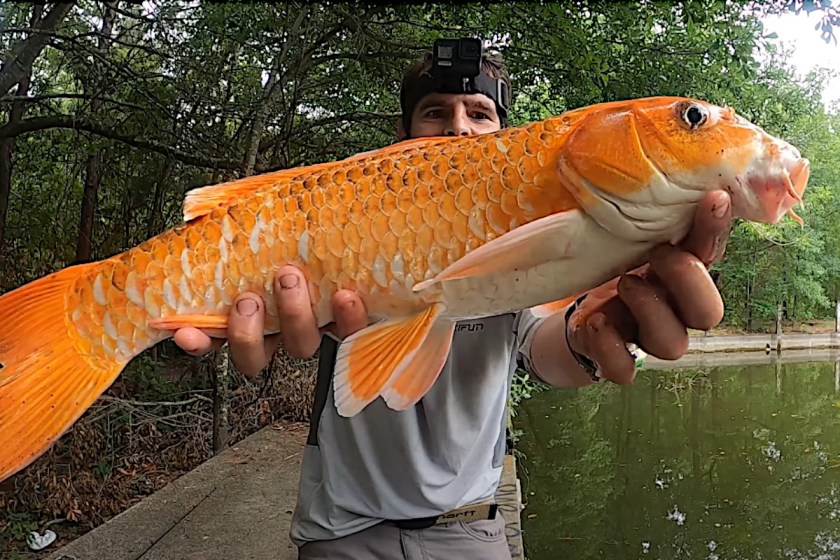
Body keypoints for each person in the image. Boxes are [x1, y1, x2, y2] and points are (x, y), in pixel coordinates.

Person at [172, 44, 733, 559]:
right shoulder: (347, 214)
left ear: (506, 134)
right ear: (403, 134)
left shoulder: (529, 233)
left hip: (472, 529)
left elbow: (546, 342)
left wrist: (598, 333)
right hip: (340, 528)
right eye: (436, 112)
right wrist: (210, 331)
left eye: (480, 113)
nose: (459, 128)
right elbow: (250, 322)